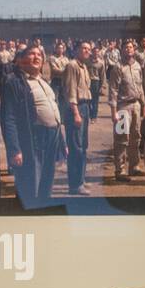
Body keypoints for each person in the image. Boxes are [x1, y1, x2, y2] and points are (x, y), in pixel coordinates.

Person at [0, 46, 66, 208]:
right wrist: (14, 149)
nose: (36, 57)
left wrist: (62, 142)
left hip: (52, 137)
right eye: (32, 54)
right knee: (29, 183)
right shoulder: (14, 83)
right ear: (21, 59)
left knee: (46, 180)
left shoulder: (44, 82)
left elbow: (54, 112)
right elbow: (8, 118)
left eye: (39, 55)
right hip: (33, 138)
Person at [108, 38, 144, 181]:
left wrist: (144, 104)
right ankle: (120, 170)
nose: (129, 49)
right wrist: (113, 111)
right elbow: (113, 90)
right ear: (121, 50)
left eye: (131, 47)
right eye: (126, 47)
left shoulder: (137, 66)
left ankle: (134, 166)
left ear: (134, 50)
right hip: (123, 107)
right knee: (122, 138)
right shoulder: (117, 67)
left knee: (136, 137)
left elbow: (140, 87)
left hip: (136, 105)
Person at [61, 41, 93, 195]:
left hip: (84, 107)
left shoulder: (84, 66)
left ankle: (81, 180)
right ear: (75, 50)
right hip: (76, 108)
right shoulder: (72, 66)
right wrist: (75, 113)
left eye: (89, 49)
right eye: (84, 48)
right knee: (76, 148)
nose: (87, 51)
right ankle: (74, 185)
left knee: (83, 146)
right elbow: (70, 91)